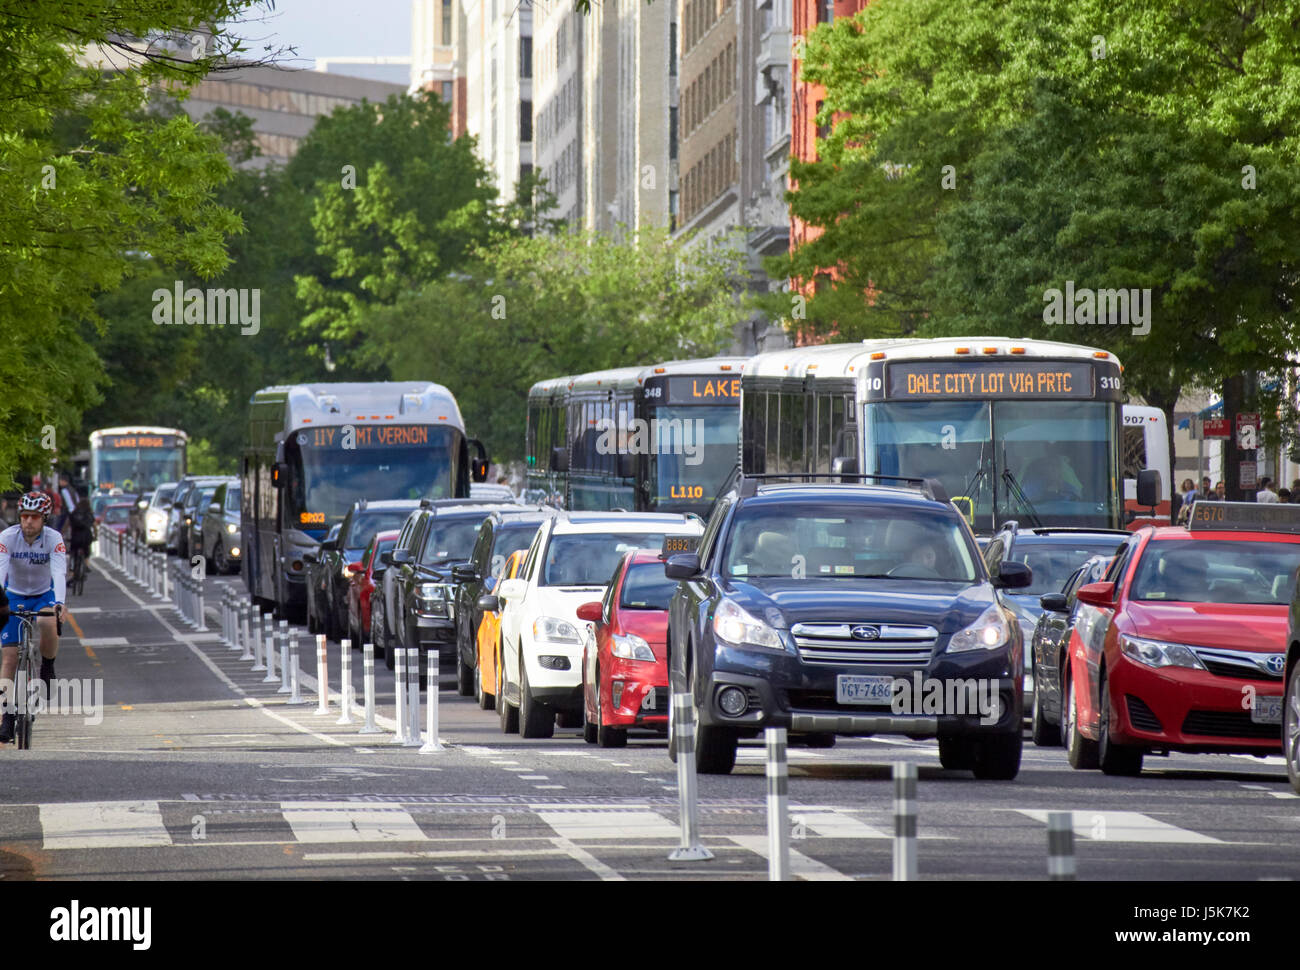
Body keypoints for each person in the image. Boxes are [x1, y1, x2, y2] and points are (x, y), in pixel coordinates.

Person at [0, 492, 66, 743]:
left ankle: (47, 666)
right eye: (25, 516)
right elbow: (0, 571)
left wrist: (60, 603)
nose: (28, 521)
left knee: (47, 620)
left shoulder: (54, 539)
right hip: (13, 595)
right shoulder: (7, 537)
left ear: (44, 519)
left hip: (43, 594)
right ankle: (7, 716)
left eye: (34, 517)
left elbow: (59, 573)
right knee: (8, 657)